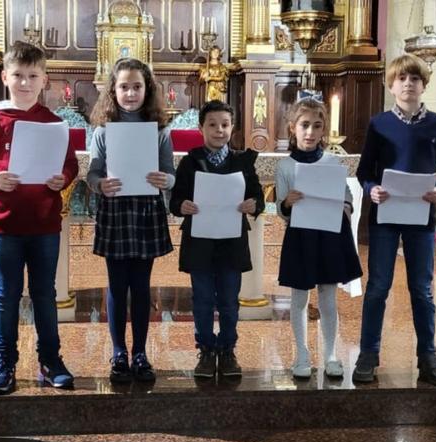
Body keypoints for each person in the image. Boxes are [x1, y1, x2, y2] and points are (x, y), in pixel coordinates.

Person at [0, 41, 79, 394]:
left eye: (33, 76)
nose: (25, 83)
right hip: (5, 225)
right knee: (6, 296)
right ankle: (5, 363)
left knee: (45, 294)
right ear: (5, 77)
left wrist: (63, 177)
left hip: (44, 225)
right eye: (18, 76)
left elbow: (70, 163)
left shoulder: (54, 123)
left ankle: (51, 361)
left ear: (44, 79)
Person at [353, 54, 436, 386]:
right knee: (377, 288)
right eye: (401, 79)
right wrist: (371, 190)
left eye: (414, 79)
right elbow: (364, 171)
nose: (408, 84)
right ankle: (368, 354)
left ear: (423, 84)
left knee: (422, 290)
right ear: (392, 84)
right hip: (386, 217)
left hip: (422, 218)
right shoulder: (379, 124)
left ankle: (428, 356)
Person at [87, 57, 176, 384]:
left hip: (145, 211)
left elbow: (171, 173)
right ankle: (118, 352)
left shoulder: (160, 130)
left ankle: (139, 352)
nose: (130, 92)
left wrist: (164, 181)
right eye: (124, 86)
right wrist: (99, 184)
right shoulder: (102, 129)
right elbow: (93, 173)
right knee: (116, 284)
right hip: (116, 211)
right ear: (113, 90)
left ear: (147, 89)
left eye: (137, 86)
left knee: (140, 286)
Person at [169, 100, 264, 379]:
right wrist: (182, 205)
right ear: (201, 128)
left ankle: (227, 349)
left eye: (224, 124)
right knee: (201, 299)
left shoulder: (242, 162)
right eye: (212, 125)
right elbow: (176, 200)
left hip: (231, 242)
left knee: (228, 300)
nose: (219, 130)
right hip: (200, 241)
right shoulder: (189, 161)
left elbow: (257, 195)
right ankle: (206, 350)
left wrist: (253, 204)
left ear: (232, 127)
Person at [275, 98, 362, 379]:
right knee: (299, 297)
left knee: (328, 297)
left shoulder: (332, 162)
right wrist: (287, 202)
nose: (310, 132)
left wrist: (344, 207)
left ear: (323, 129)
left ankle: (331, 355)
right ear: (292, 128)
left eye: (316, 126)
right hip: (300, 237)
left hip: (329, 237)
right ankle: (301, 354)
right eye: (304, 125)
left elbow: (347, 197)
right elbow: (281, 207)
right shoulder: (286, 167)